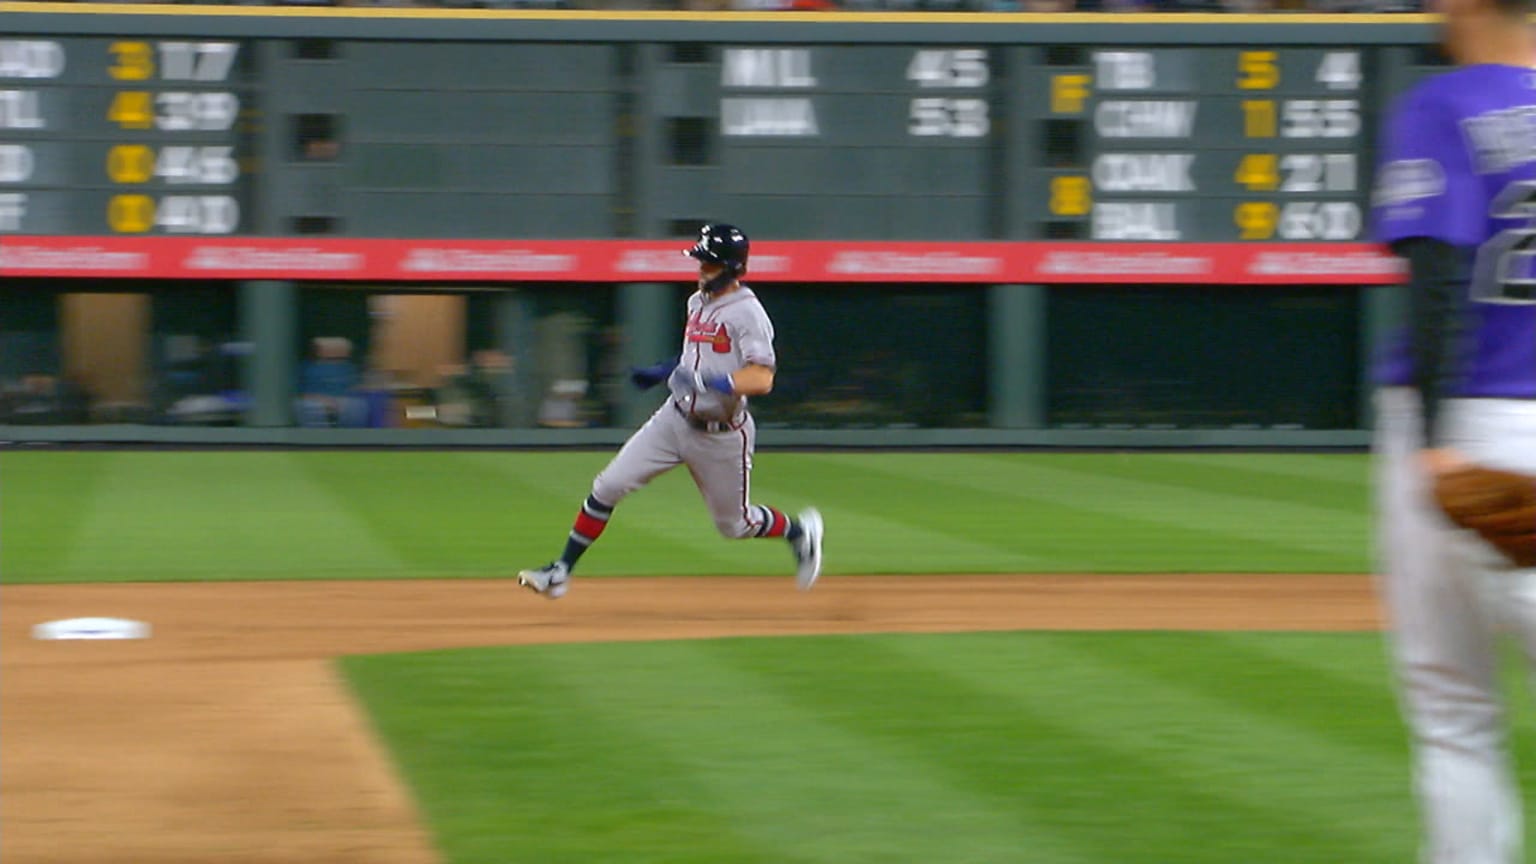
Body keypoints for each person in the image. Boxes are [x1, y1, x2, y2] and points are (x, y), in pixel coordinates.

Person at [1370, 0, 1536, 859]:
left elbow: (1437, 276)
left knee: (1455, 708)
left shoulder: (1446, 105)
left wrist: (1436, 444)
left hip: (1472, 418)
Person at [518, 223, 824, 599]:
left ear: (730, 267)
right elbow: (696, 358)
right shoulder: (697, 301)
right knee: (608, 486)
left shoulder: (749, 314)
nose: (700, 268)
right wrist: (665, 370)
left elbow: (761, 378)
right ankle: (560, 571)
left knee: (734, 525)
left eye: (708, 263)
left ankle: (798, 531)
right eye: (700, 261)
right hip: (673, 419)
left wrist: (715, 382)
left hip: (722, 434)